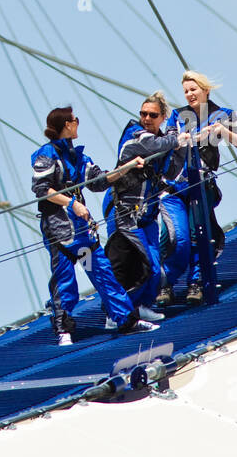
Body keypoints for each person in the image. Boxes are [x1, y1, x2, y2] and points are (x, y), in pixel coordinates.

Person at [32, 107, 157, 342]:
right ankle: (63, 329)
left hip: (81, 233)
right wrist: (72, 204)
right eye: (75, 120)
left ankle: (125, 319)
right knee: (64, 278)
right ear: (67, 125)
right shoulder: (45, 155)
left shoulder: (77, 156)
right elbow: (42, 190)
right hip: (60, 232)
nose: (78, 123)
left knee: (102, 272)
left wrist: (127, 167)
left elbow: (98, 181)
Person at [159, 71, 237, 306]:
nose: (189, 94)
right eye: (186, 91)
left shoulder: (224, 114)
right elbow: (168, 142)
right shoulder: (178, 116)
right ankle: (164, 284)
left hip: (201, 183)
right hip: (174, 185)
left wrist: (222, 131)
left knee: (196, 234)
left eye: (193, 89)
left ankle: (196, 283)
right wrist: (183, 138)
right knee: (172, 236)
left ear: (205, 90)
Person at [104, 93, 183, 318]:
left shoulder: (163, 140)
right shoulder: (135, 135)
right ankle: (115, 314)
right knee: (125, 262)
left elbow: (171, 170)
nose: (146, 118)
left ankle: (142, 306)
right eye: (143, 113)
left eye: (152, 115)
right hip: (122, 209)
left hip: (147, 211)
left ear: (162, 117)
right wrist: (177, 136)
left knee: (153, 262)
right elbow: (156, 144)